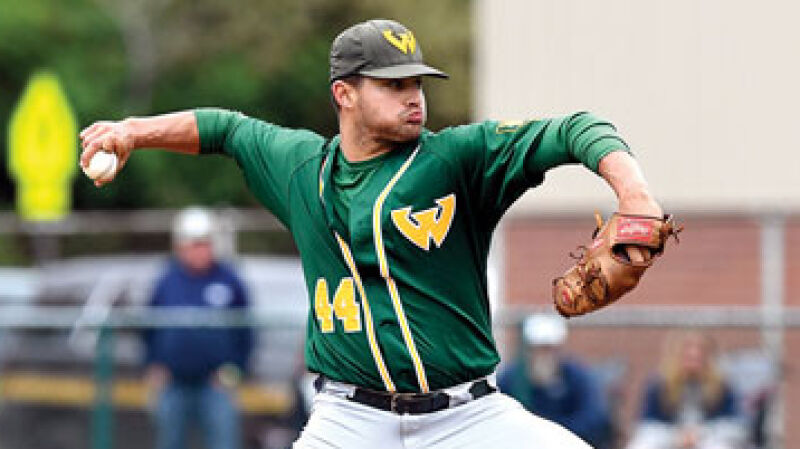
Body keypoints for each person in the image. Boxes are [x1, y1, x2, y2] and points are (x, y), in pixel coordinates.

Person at [81, 18, 663, 449]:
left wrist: (633, 194)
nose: (413, 95)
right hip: (347, 420)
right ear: (345, 94)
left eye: (417, 82)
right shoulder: (300, 167)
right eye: (393, 84)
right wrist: (133, 130)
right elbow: (224, 129)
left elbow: (575, 129)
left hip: (468, 417)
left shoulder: (456, 159)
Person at [143, 207, 253, 449]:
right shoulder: (166, 280)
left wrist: (236, 369)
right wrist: (154, 364)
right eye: (195, 244)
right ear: (181, 246)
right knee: (170, 441)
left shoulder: (229, 279)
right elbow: (148, 326)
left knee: (223, 442)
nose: (201, 250)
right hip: (173, 383)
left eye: (205, 243)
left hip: (215, 384)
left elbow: (246, 329)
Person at [498, 314, 613, 448]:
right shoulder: (511, 379)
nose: (543, 356)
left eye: (549, 349)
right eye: (538, 349)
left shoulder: (577, 377)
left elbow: (594, 419)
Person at [626, 330, 747, 449]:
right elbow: (646, 424)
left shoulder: (723, 386)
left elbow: (736, 425)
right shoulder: (659, 384)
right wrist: (677, 436)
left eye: (699, 358)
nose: (693, 363)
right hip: (668, 437)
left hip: (708, 438)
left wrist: (700, 433)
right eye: (689, 358)